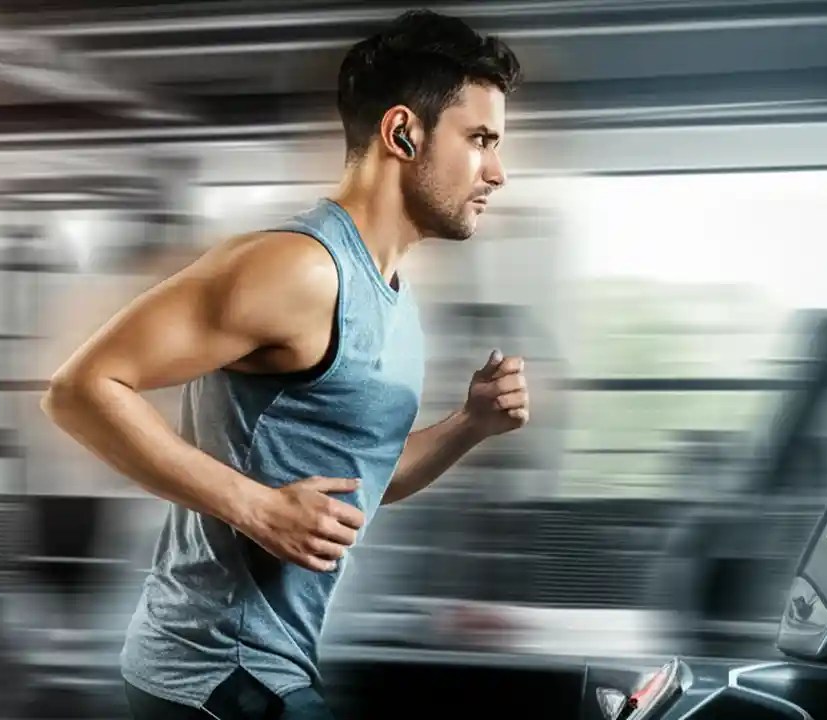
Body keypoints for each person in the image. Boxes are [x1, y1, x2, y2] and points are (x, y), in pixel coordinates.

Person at [41, 9, 525, 720]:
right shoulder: (296, 268)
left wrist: (469, 425)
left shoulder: (390, 295)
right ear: (402, 133)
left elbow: (361, 486)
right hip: (211, 669)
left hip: (265, 668)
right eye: (480, 140)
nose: (498, 172)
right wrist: (260, 508)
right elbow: (80, 389)